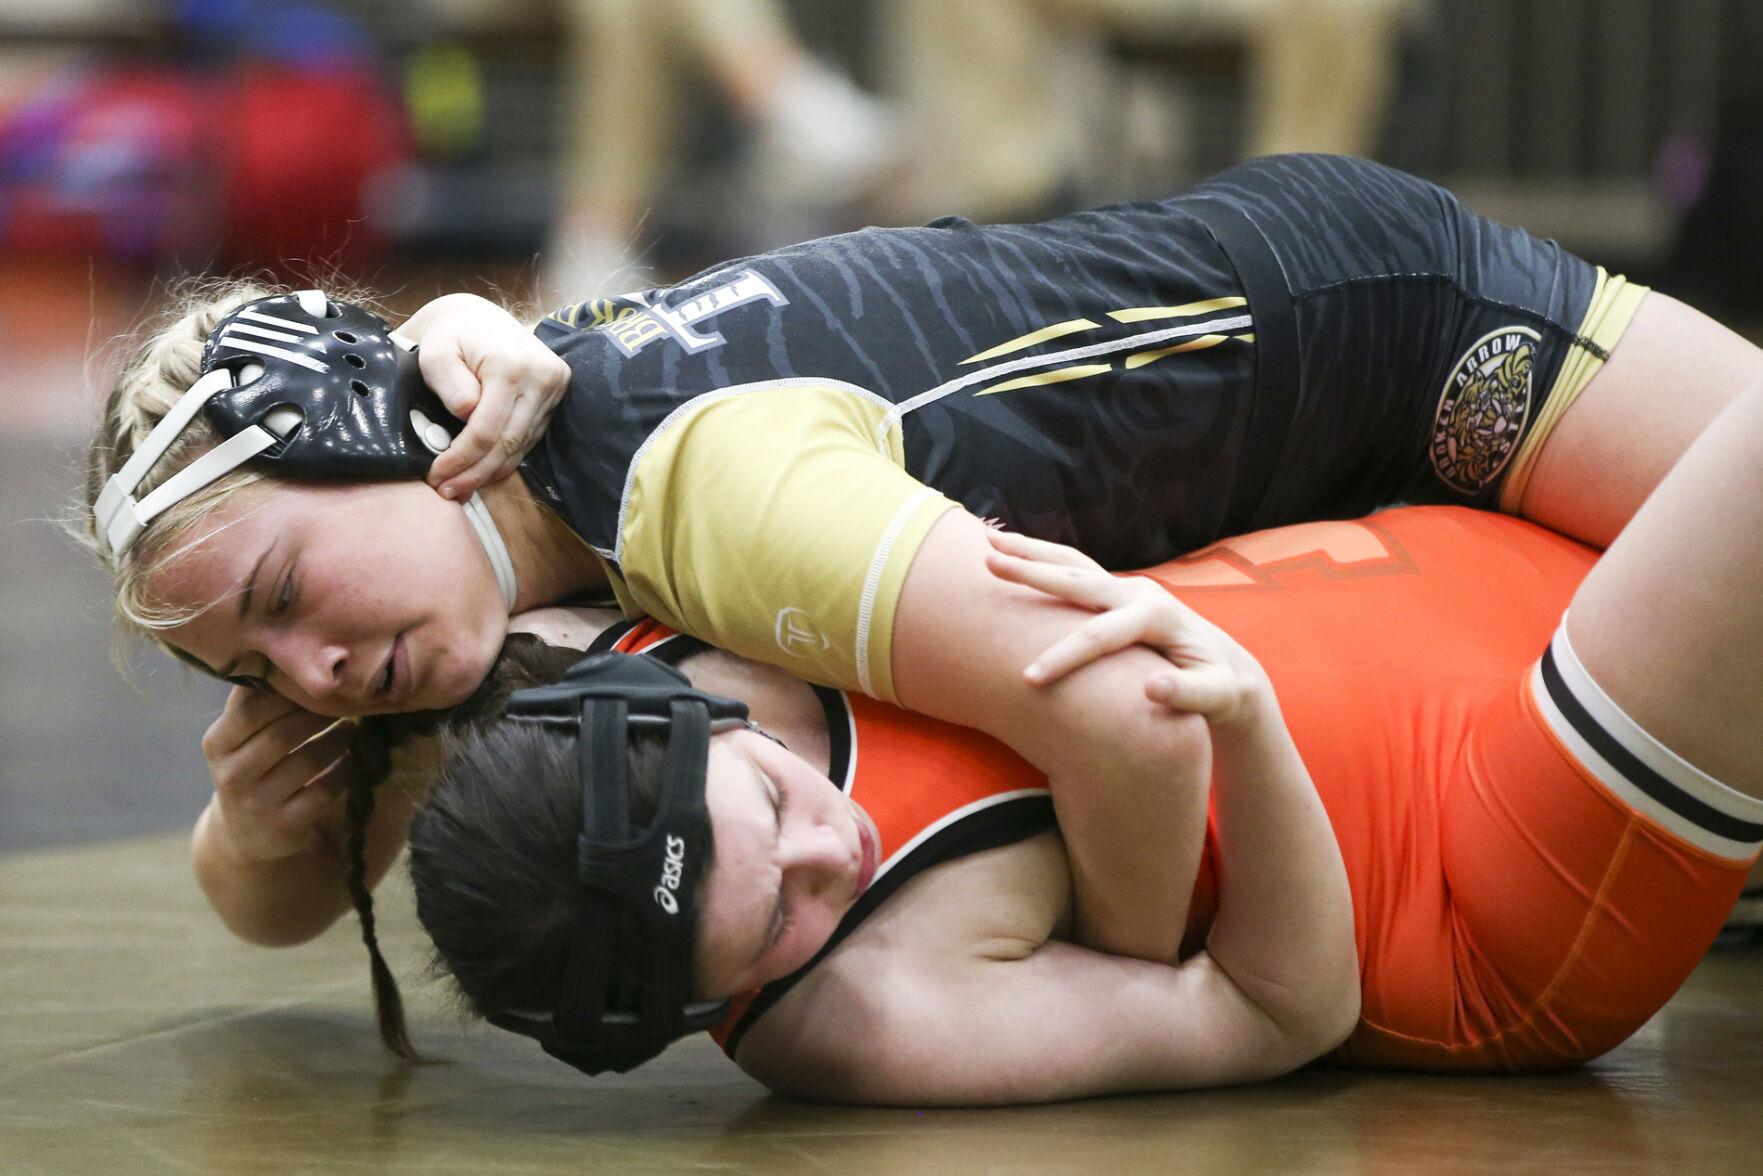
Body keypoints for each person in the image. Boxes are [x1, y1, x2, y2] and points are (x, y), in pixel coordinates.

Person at [81, 155, 1760, 973]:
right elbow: (273, 898)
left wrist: (1125, 991)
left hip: (1389, 335)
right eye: (246, 667)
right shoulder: (468, 520)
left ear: (380, 426)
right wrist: (255, 817)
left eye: (284, 599)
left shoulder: (709, 494)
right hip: (1274, 490)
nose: (308, 673)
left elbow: (1128, 719)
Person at [402, 379, 1763, 1098]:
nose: (836, 848)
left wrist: (465, 333)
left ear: (673, 711)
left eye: (773, 805)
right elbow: (1279, 1013)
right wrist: (1247, 726)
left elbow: (378, 536)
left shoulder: (614, 650)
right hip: (1481, 875)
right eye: (775, 929)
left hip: (1444, 582)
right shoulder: (872, 1022)